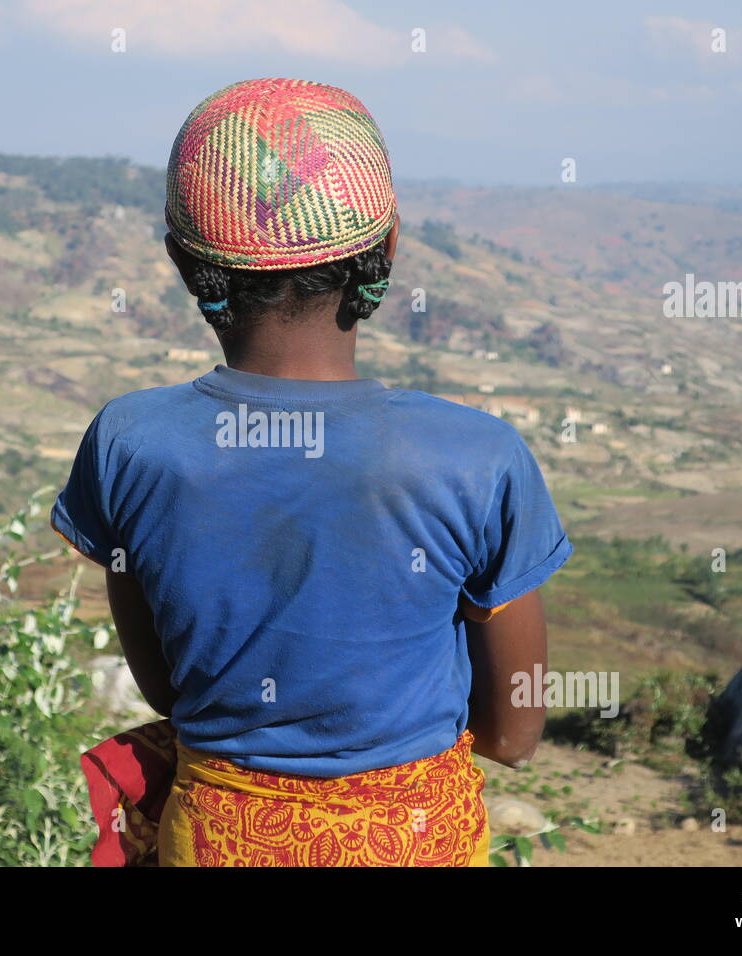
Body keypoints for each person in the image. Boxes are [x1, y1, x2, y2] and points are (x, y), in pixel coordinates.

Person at [53, 77, 572, 867]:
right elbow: (512, 735)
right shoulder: (479, 457)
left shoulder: (130, 442)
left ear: (186, 266)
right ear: (387, 248)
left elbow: (169, 692)